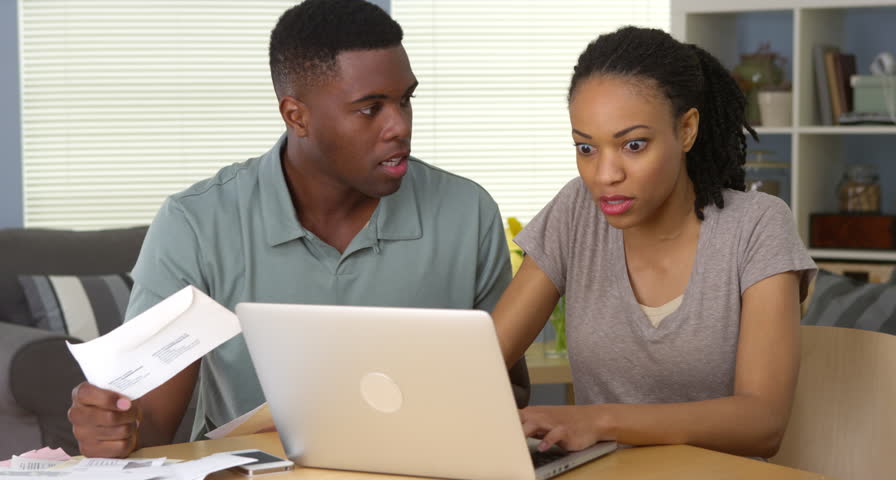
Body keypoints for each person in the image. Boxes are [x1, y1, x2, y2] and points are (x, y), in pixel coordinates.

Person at [67, 0, 529, 458]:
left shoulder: (467, 212)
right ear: (296, 116)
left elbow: (507, 393)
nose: (400, 126)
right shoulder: (196, 224)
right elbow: (149, 426)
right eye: (371, 109)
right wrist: (112, 430)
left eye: (405, 100)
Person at [492, 26, 816, 459]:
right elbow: (487, 359)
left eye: (633, 145)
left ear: (686, 130)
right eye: (586, 148)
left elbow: (762, 422)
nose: (605, 175)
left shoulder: (757, 226)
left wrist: (599, 420)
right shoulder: (576, 212)